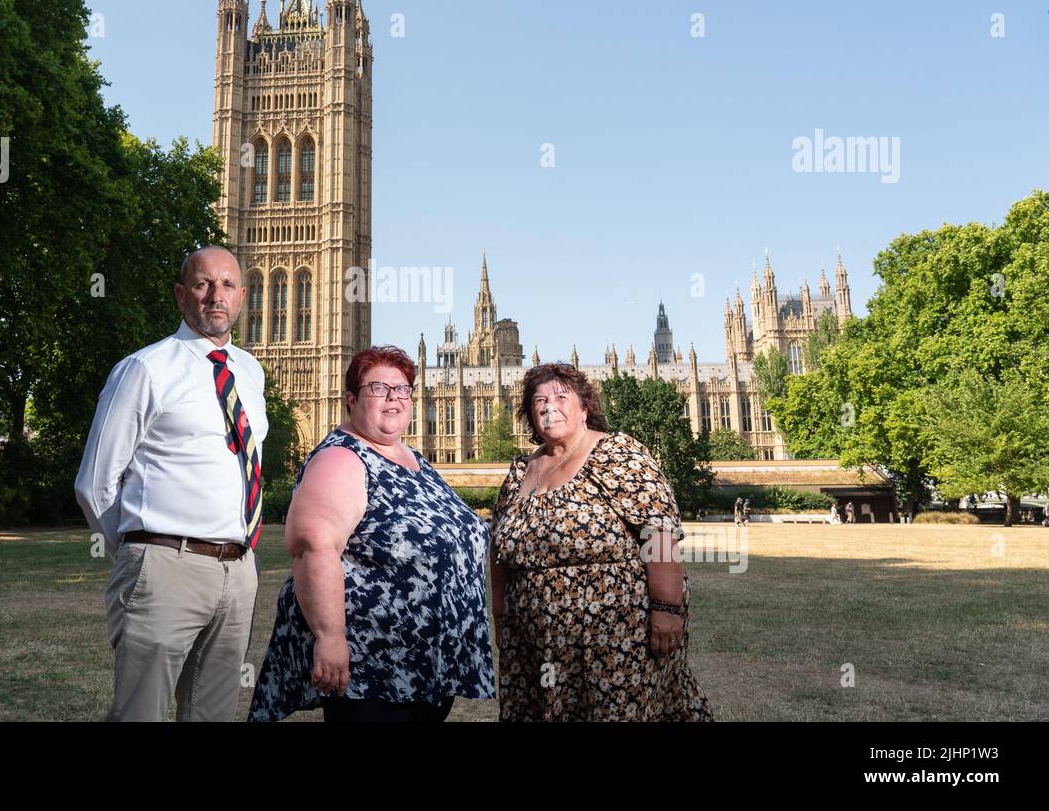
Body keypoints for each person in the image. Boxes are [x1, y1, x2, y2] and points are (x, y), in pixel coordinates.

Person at [248, 346, 495, 722]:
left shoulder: (411, 458)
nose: (394, 397)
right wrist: (330, 637)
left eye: (403, 389)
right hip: (376, 665)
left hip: (421, 667)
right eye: (379, 388)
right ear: (351, 399)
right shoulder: (341, 458)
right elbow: (312, 545)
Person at [74, 245, 265, 721]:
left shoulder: (250, 372)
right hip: (165, 564)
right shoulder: (145, 368)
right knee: (143, 712)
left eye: (226, 286)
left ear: (242, 296)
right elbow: (95, 482)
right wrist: (143, 553)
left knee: (212, 715)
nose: (214, 296)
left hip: (238, 570)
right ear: (182, 296)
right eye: (202, 285)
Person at [489, 363, 712, 721]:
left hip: (616, 636)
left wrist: (667, 609)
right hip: (536, 643)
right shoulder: (520, 472)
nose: (549, 406)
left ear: (584, 408)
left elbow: (659, 532)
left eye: (562, 397)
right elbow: (498, 549)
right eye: (539, 400)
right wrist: (501, 617)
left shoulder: (617, 453)